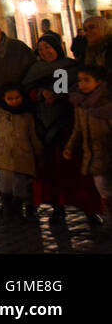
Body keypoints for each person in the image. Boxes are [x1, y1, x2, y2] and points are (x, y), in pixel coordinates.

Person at [23, 32, 102, 226]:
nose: (44, 52)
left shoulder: (70, 67)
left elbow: (79, 89)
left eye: (48, 48)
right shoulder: (35, 69)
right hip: (43, 124)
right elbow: (25, 92)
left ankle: (89, 210)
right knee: (50, 171)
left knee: (76, 171)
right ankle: (57, 209)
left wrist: (61, 96)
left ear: (57, 47)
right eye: (40, 49)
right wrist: (41, 94)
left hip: (68, 125)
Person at [0, 84, 44, 221]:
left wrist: (38, 154)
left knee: (20, 185)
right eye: (10, 98)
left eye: (17, 98)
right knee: (6, 184)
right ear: (4, 99)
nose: (14, 101)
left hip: (23, 155)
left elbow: (33, 136)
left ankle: (17, 211)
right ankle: (7, 210)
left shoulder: (27, 116)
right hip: (3, 154)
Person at [65, 63, 112, 235]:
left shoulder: (106, 104)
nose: (82, 84)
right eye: (80, 80)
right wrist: (70, 147)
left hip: (108, 152)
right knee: (104, 190)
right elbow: (78, 129)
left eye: (87, 80)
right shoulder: (80, 105)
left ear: (99, 83)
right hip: (94, 156)